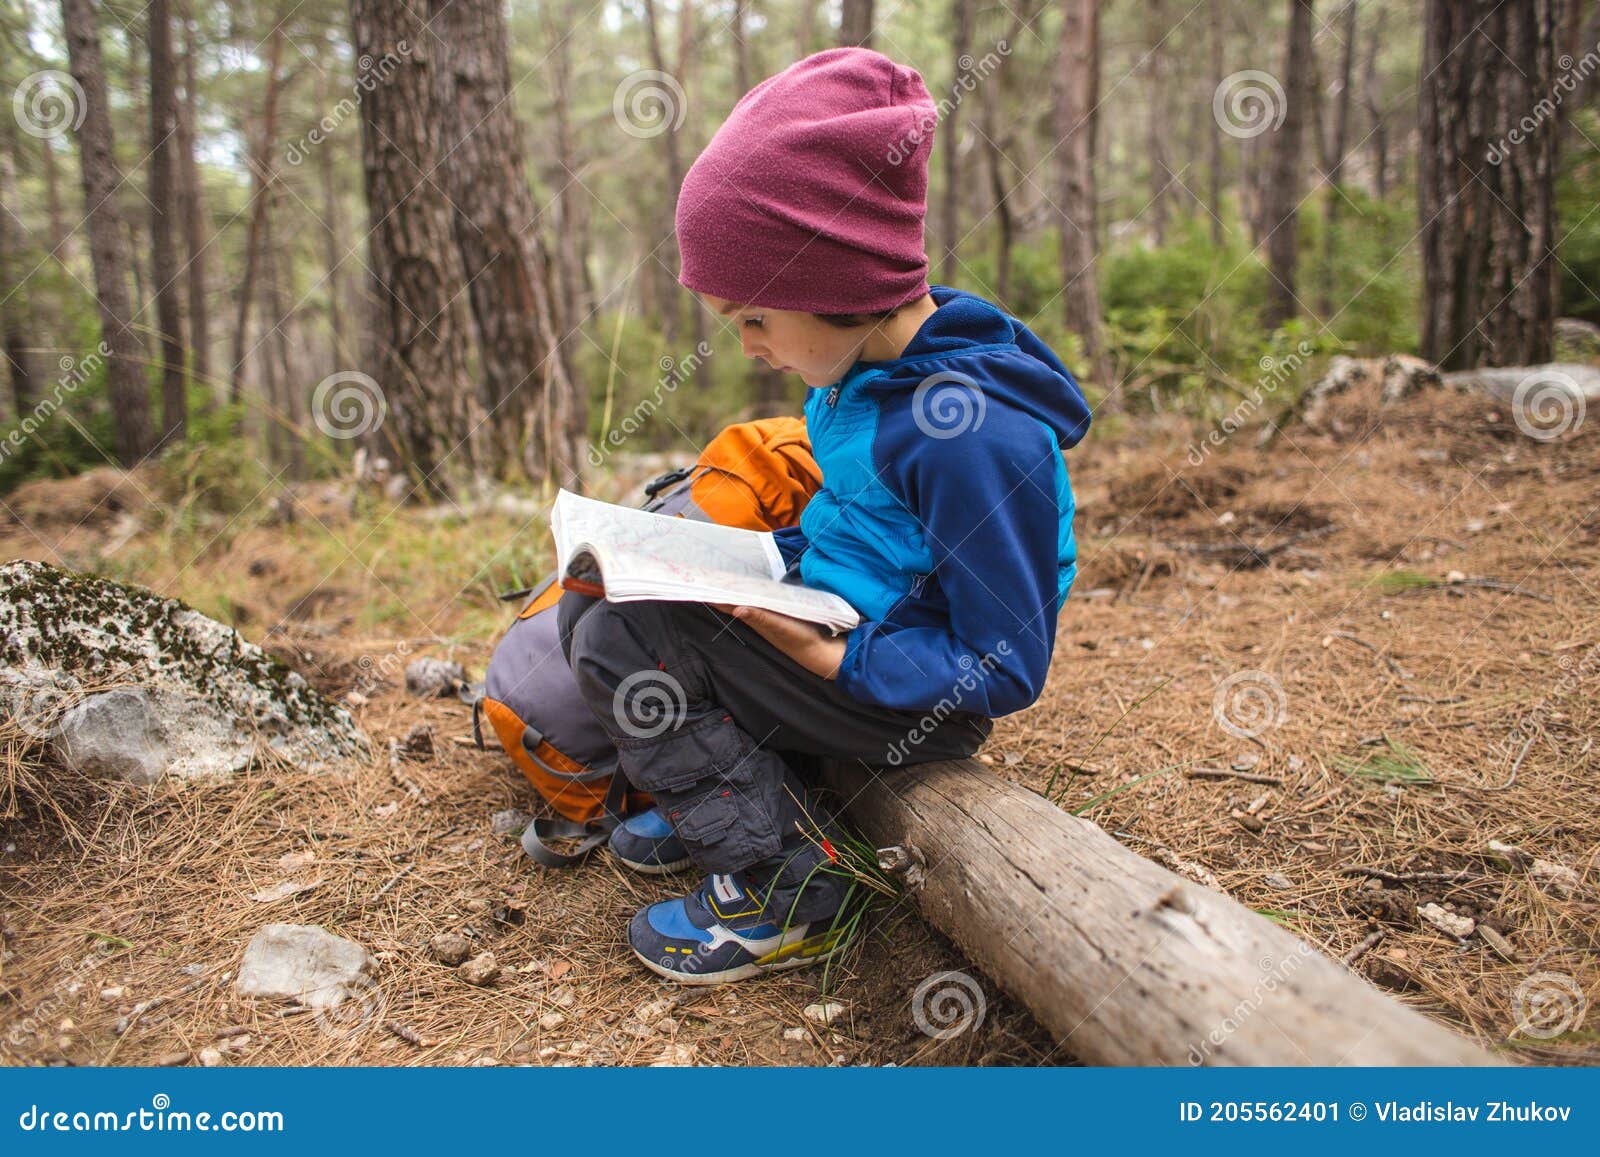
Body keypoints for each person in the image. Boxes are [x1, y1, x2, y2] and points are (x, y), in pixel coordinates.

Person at [558, 47, 1091, 985]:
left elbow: (1008, 661)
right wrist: (755, 559)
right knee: (597, 595)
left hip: (906, 699)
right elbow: (860, 530)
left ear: (836, 283)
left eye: (753, 319)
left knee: (613, 637)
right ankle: (732, 803)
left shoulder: (964, 435)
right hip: (840, 635)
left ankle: (783, 883)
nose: (752, 349)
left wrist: (835, 657)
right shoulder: (860, 381)